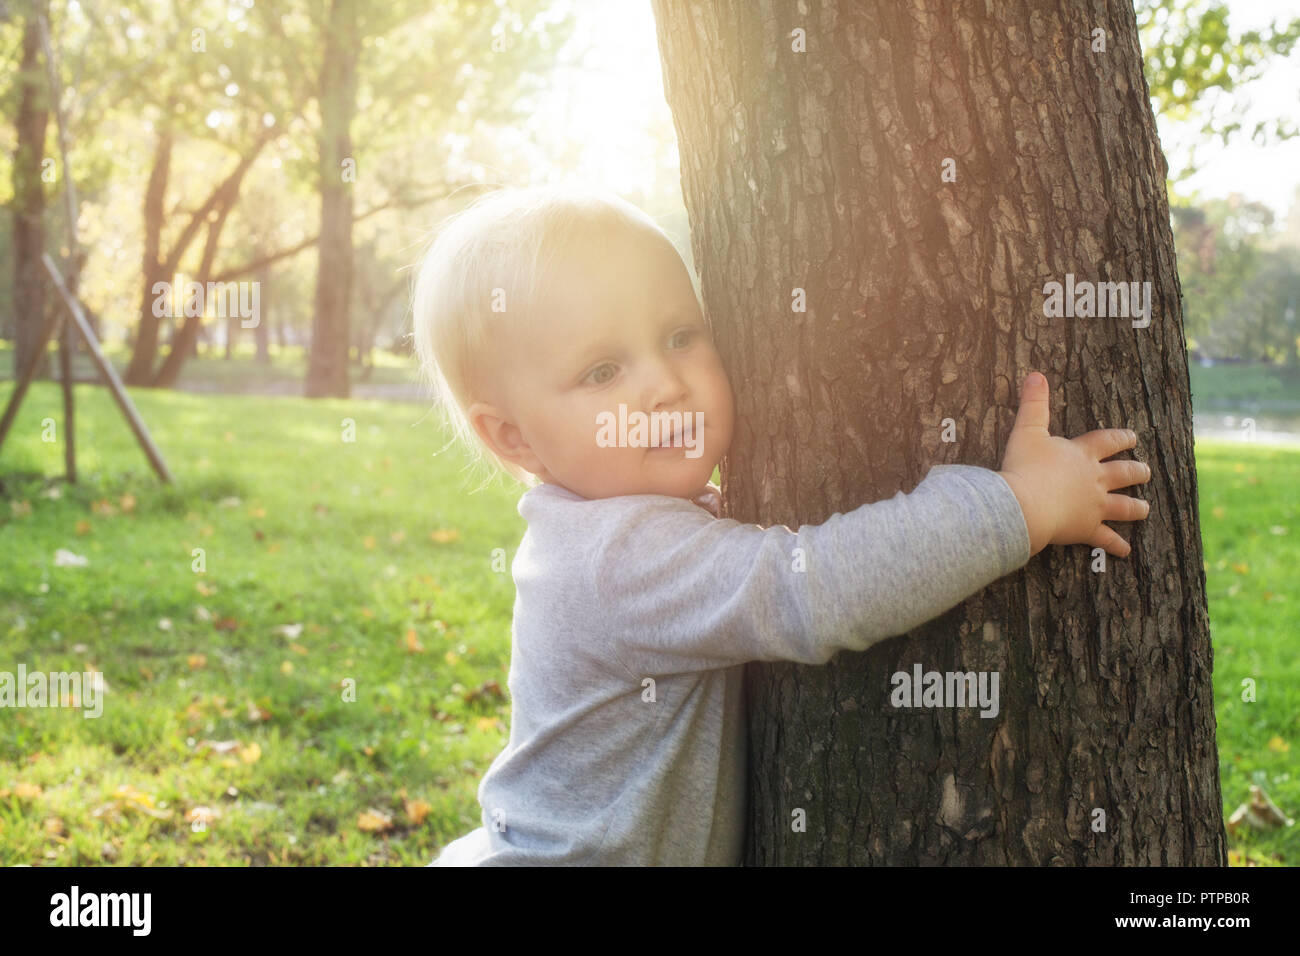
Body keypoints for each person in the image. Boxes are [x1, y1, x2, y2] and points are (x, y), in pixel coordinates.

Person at [409, 184, 1152, 865]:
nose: (667, 385)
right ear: (515, 439)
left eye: (680, 335)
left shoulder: (603, 529)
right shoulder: (617, 559)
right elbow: (817, 588)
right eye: (602, 372)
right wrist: (1020, 506)